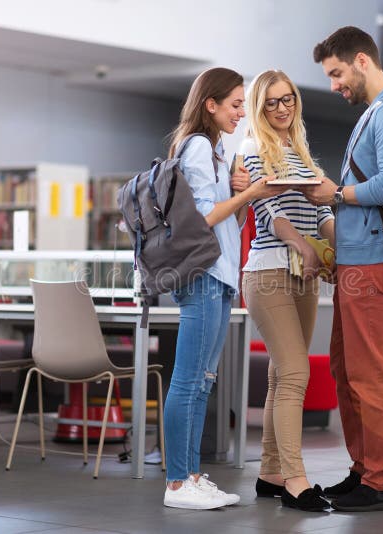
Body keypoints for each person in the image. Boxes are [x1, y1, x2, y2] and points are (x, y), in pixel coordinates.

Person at [301, 26, 383, 512]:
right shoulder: (378, 113)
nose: (334, 85)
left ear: (361, 60)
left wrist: (335, 194)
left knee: (371, 374)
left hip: (376, 264)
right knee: (348, 370)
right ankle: (365, 470)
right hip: (360, 262)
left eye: (336, 74)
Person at [162, 67, 274, 510]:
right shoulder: (196, 147)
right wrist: (248, 194)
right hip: (204, 276)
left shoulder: (215, 150)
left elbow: (226, 222)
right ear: (210, 104)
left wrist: (237, 192)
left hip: (220, 274)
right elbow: (203, 218)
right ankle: (177, 483)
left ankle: (190, 474)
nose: (241, 112)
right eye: (234, 104)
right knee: (189, 381)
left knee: (203, 381)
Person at [235, 69, 334, 512]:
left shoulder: (301, 152)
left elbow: (321, 211)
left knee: (281, 375)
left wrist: (332, 249)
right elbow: (269, 209)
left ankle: (270, 474)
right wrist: (303, 247)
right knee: (295, 373)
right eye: (271, 102)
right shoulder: (253, 148)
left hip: (305, 273)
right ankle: (297, 480)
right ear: (259, 108)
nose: (281, 108)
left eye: (287, 99)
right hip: (270, 271)